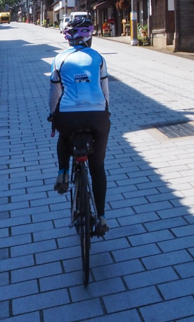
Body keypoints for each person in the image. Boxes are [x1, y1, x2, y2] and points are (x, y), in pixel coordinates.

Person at [48, 15, 111, 236]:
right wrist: (105, 111)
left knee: (64, 134)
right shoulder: (98, 58)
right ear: (89, 36)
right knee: (97, 166)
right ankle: (101, 216)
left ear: (67, 38)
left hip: (69, 116)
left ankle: (63, 171)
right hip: (97, 116)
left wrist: (52, 114)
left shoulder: (59, 59)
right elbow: (105, 91)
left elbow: (54, 94)